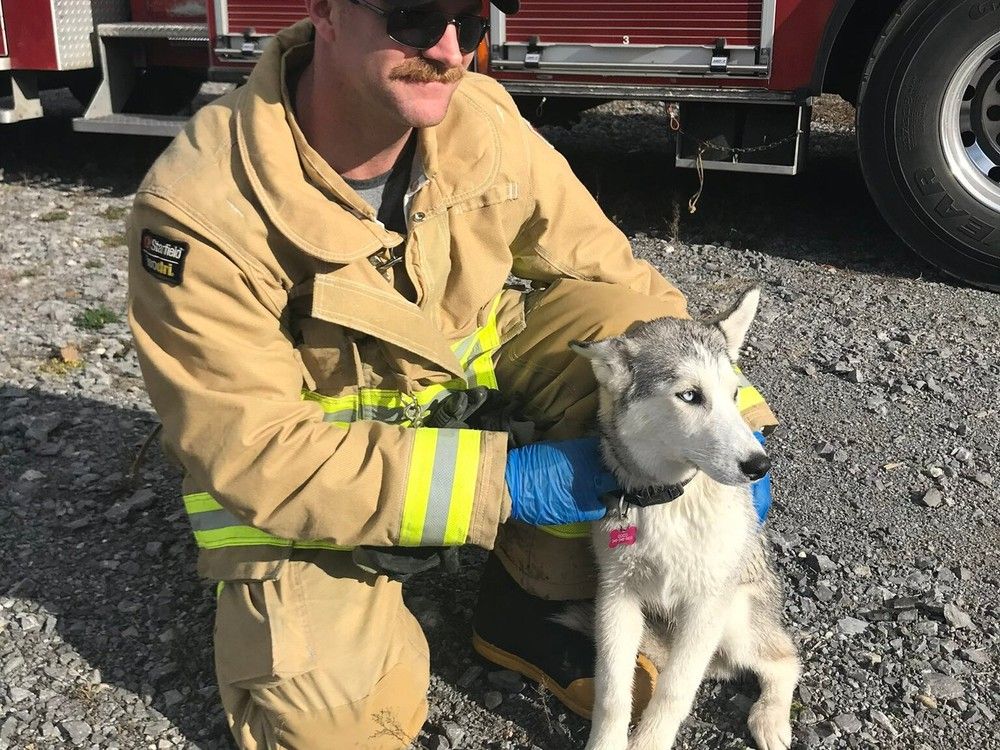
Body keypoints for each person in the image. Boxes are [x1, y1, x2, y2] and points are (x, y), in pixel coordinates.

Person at [126, 0, 777, 747]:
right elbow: (253, 451)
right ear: (327, 12)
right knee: (332, 729)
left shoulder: (481, 117)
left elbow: (612, 274)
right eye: (413, 13)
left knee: (622, 328)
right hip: (318, 482)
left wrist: (734, 413)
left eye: (468, 20)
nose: (446, 48)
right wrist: (507, 485)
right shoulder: (199, 214)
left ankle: (532, 599)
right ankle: (435, 590)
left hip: (458, 405)